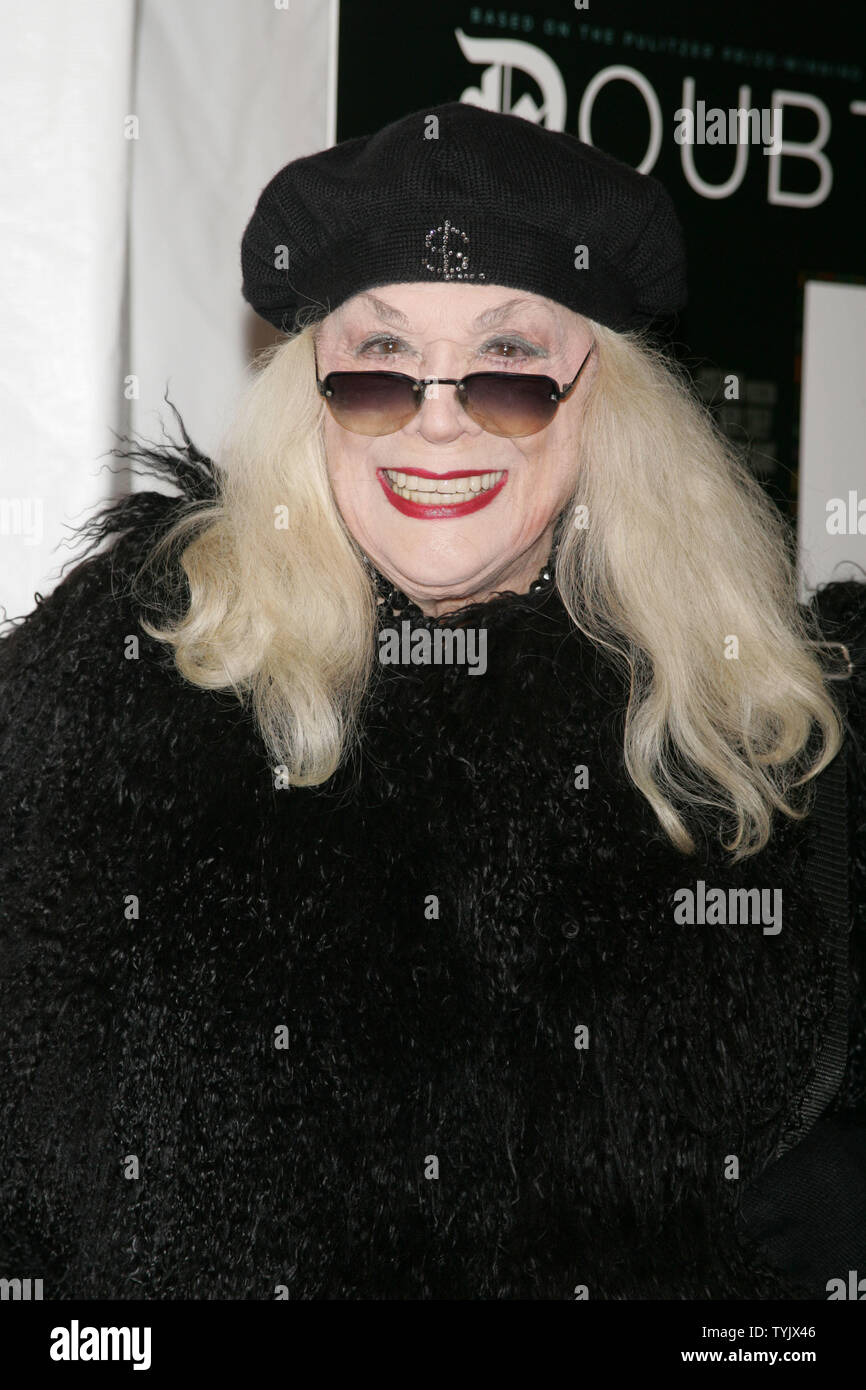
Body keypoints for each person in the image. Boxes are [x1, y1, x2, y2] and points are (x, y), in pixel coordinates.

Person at [1, 101, 864, 1301]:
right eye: (380, 362)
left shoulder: (775, 731)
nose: (438, 419)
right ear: (309, 389)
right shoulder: (124, 675)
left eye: (508, 364)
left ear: (608, 401)